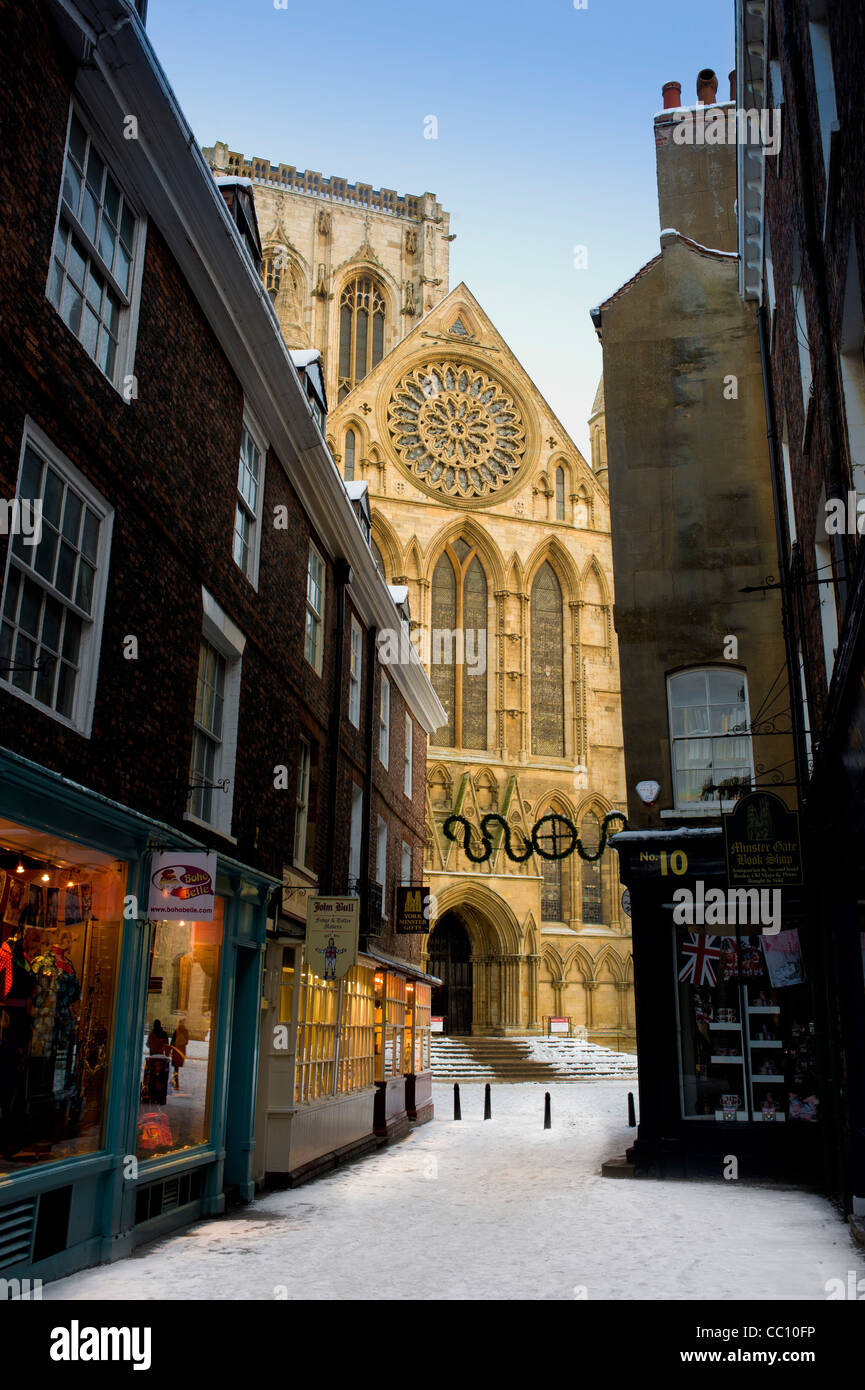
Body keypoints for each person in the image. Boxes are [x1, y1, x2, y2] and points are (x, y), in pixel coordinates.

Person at [144, 1019, 170, 1104]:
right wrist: (167, 1055)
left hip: (153, 1057)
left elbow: (148, 1044)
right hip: (161, 1058)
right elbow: (167, 1046)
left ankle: (151, 1095)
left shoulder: (152, 1034)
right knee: (162, 1078)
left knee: (151, 1077)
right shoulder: (164, 1034)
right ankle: (160, 1097)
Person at [170, 1019, 189, 1091]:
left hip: (176, 1051)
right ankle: (175, 1082)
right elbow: (186, 1042)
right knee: (176, 1068)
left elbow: (172, 1042)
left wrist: (171, 1049)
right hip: (182, 1052)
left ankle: (176, 1083)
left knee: (176, 1068)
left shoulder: (177, 1031)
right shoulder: (186, 1032)